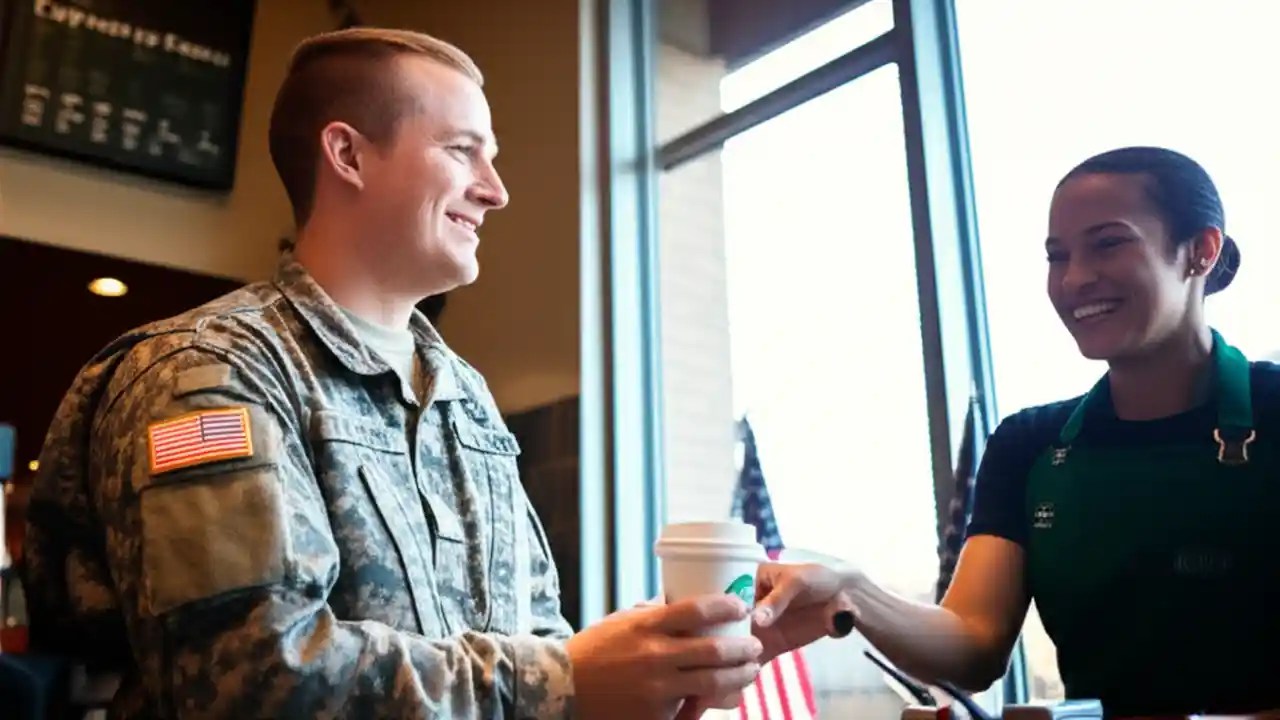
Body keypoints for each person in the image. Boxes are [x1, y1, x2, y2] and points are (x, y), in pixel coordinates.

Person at [19, 28, 761, 719]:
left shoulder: (464, 396)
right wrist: (564, 681)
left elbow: (532, 642)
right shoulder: (205, 372)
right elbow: (245, 676)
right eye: (462, 150)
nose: (495, 189)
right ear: (347, 155)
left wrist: (651, 663)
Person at [746, 146, 1280, 718]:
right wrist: (851, 591)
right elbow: (974, 643)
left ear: (1201, 250)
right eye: (1057, 256)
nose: (1075, 279)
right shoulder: (1031, 444)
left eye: (1108, 243)